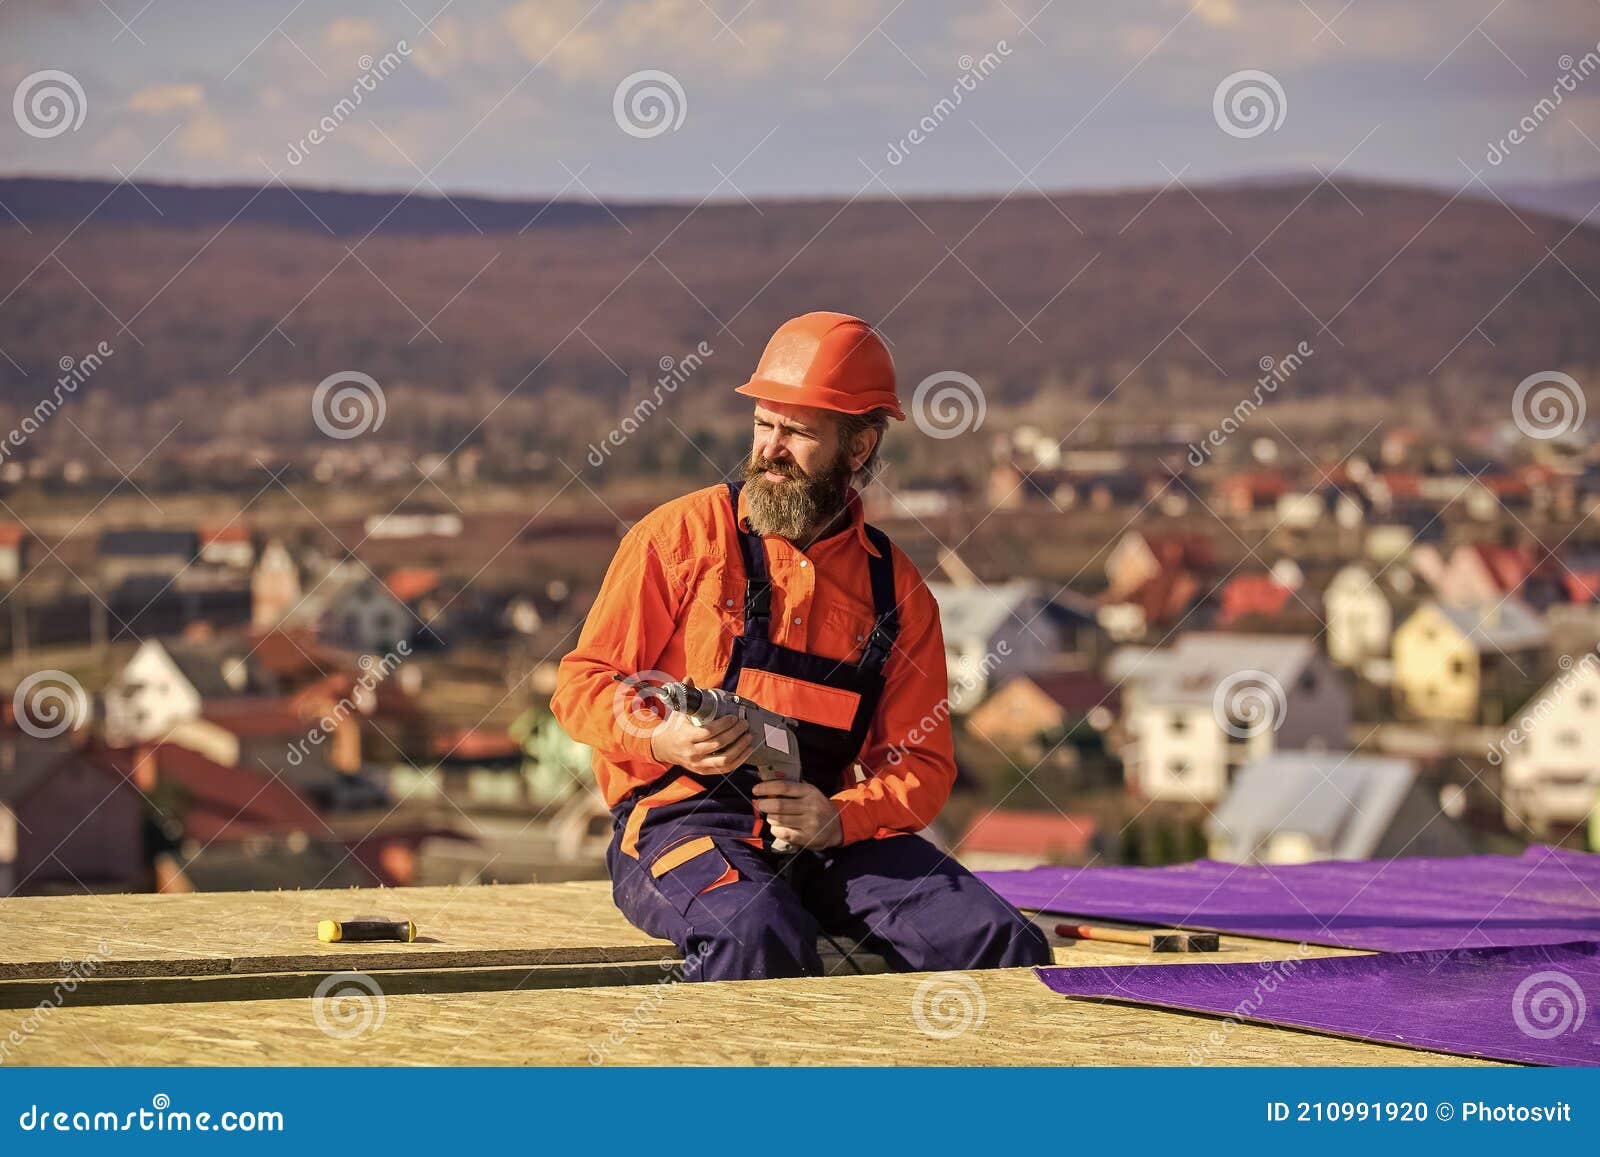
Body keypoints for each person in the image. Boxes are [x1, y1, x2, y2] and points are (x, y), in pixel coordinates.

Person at [550, 311, 1051, 981]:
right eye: (764, 424)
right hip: (681, 821)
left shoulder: (899, 596)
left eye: (798, 432)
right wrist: (661, 734)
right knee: (756, 935)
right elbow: (582, 684)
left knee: (1003, 942)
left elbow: (922, 766)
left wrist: (840, 818)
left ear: (859, 446)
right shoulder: (679, 539)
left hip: (827, 834)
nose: (772, 449)